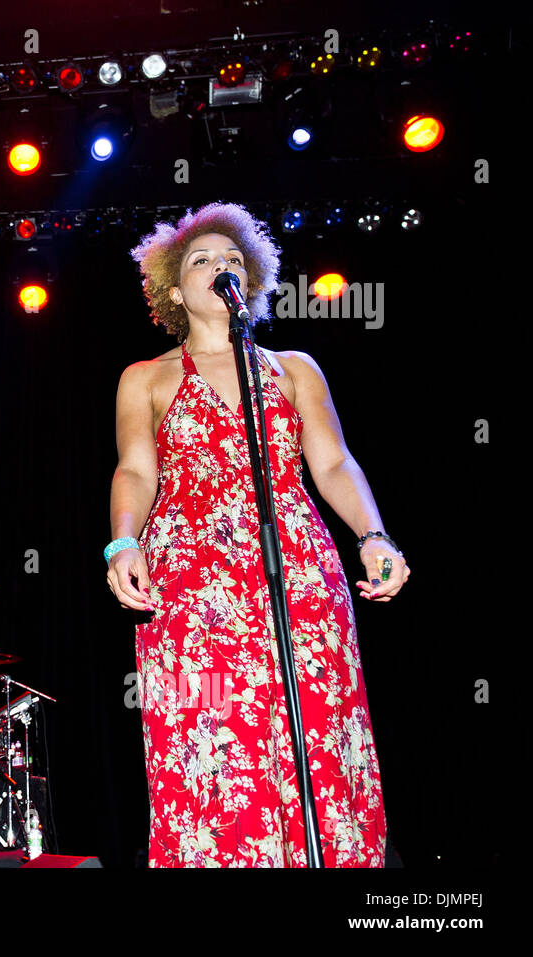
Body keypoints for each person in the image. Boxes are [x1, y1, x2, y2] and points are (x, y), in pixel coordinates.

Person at [108, 203, 408, 867]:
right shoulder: (145, 378)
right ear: (174, 289)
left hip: (298, 572)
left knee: (318, 735)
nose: (222, 267)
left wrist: (374, 536)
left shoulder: (294, 368)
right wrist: (122, 541)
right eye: (203, 260)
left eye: (233, 260)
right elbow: (134, 468)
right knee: (214, 739)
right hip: (190, 585)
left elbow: (333, 463)